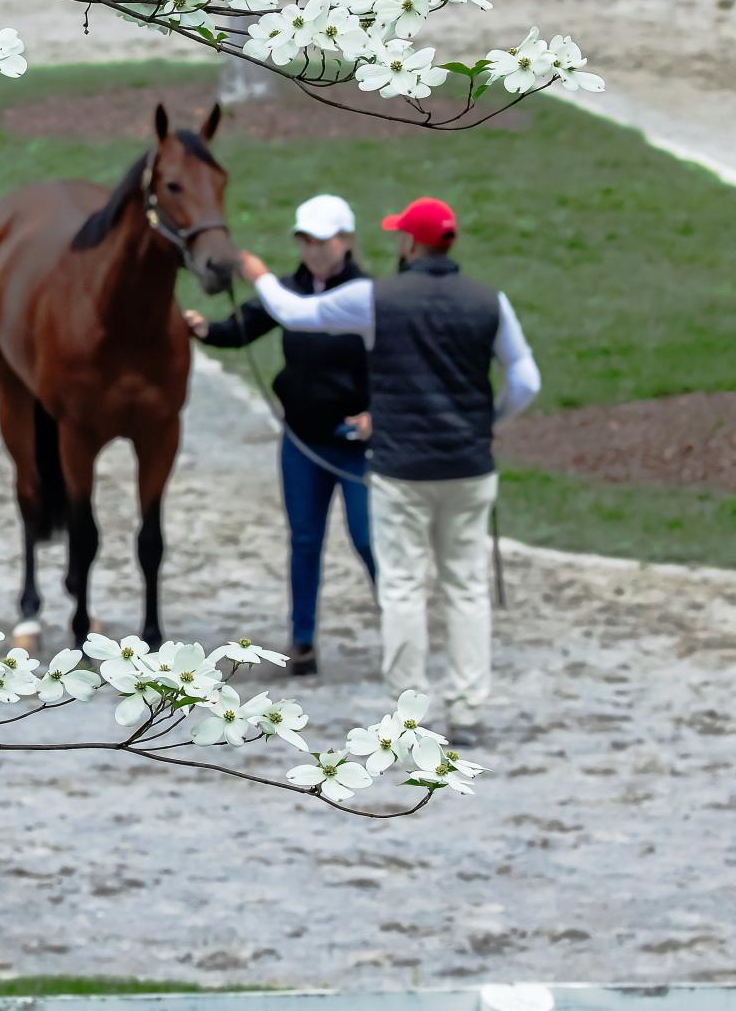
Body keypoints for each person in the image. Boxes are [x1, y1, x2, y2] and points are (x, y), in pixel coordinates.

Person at [235, 196, 541, 728]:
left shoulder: (375, 298)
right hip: (468, 467)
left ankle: (408, 714)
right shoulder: (491, 300)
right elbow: (526, 381)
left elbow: (294, 313)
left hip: (403, 470)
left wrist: (260, 275)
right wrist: (492, 419)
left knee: (402, 587)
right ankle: (468, 709)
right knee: (466, 587)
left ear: (408, 243)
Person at [184, 194, 374, 678]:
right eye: (305, 240)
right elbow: (243, 327)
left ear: (346, 241)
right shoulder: (287, 289)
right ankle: (303, 640)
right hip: (303, 440)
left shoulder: (369, 295)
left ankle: (400, 627)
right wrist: (207, 330)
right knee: (305, 539)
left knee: (369, 538)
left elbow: (397, 363)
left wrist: (379, 412)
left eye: (322, 240)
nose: (313, 250)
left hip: (358, 444)